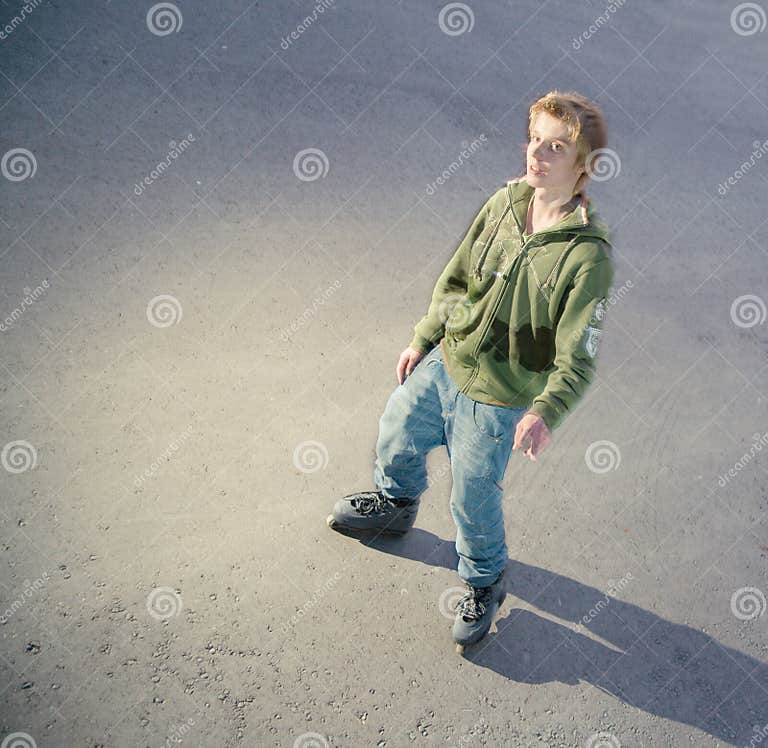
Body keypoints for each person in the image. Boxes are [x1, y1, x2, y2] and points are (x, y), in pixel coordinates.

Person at [327, 90, 615, 651]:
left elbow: (577, 356)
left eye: (556, 147)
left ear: (584, 166)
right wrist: (424, 337)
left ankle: (484, 582)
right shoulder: (505, 204)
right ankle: (395, 505)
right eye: (535, 139)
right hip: (447, 362)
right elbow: (458, 279)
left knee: (473, 497)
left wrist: (543, 411)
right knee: (397, 431)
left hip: (500, 399)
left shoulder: (588, 258)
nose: (537, 155)